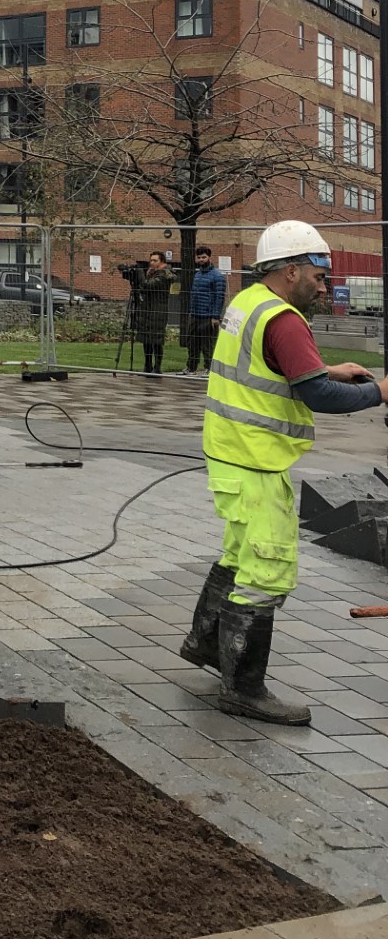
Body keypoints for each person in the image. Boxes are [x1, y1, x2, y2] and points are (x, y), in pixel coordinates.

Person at [180, 220, 388, 725]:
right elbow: (319, 396)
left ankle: (206, 645)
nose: (325, 284)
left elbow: (282, 370)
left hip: (230, 453)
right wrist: (380, 392)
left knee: (238, 554)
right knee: (266, 569)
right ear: (290, 270)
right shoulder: (286, 320)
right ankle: (244, 689)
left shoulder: (249, 303)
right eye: (319, 275)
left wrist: (325, 367)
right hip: (255, 459)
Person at [184, 245, 226, 373]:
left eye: (204, 257)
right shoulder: (197, 275)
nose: (201, 260)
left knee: (208, 345)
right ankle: (191, 367)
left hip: (208, 316)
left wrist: (215, 316)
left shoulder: (217, 276)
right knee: (192, 344)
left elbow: (219, 297)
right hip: (195, 314)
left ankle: (209, 368)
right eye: (199, 257)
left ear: (209, 257)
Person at [136, 251, 174, 374]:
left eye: (155, 260)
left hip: (158, 311)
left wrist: (140, 274)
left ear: (162, 262)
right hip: (147, 309)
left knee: (156, 340)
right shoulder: (151, 273)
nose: (152, 263)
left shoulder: (164, 275)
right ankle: (147, 365)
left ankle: (157, 367)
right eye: (151, 260)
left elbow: (148, 285)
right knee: (146, 339)